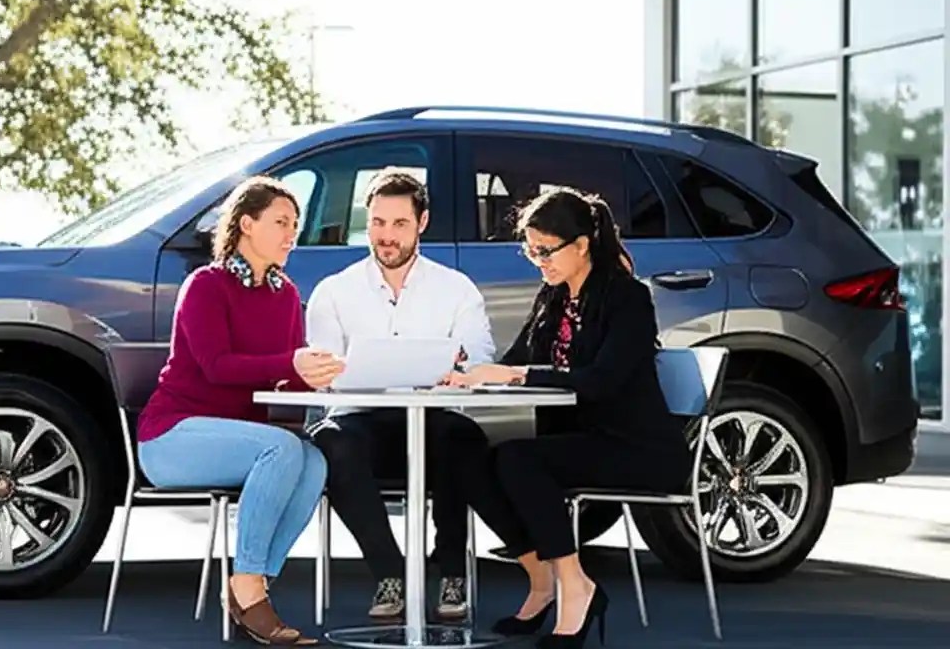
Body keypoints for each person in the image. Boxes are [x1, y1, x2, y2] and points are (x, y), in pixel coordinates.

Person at [443, 186, 691, 649]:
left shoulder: (627, 298)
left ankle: (575, 587)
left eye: (546, 251)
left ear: (581, 245)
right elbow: (517, 359)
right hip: (582, 441)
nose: (540, 261)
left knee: (518, 461)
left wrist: (516, 374)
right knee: (468, 457)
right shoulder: (553, 298)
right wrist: (464, 373)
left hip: (639, 448)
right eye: (531, 251)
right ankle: (542, 580)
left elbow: (601, 380)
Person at [305, 168, 533, 623]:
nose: (386, 236)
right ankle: (390, 574)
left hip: (434, 418)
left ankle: (452, 573)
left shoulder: (456, 289)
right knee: (333, 440)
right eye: (377, 223)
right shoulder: (333, 292)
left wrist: (457, 365)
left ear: (422, 223)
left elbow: (478, 360)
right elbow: (325, 373)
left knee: (459, 437)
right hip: (361, 421)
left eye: (399, 224)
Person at [136, 176, 346, 646]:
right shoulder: (205, 285)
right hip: (172, 438)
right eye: (281, 222)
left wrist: (317, 373)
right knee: (282, 449)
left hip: (245, 443)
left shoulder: (287, 294)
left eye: (295, 223)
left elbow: (285, 373)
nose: (292, 232)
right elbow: (216, 367)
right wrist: (288, 364)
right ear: (247, 224)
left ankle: (252, 582)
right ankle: (248, 587)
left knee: (313, 460)